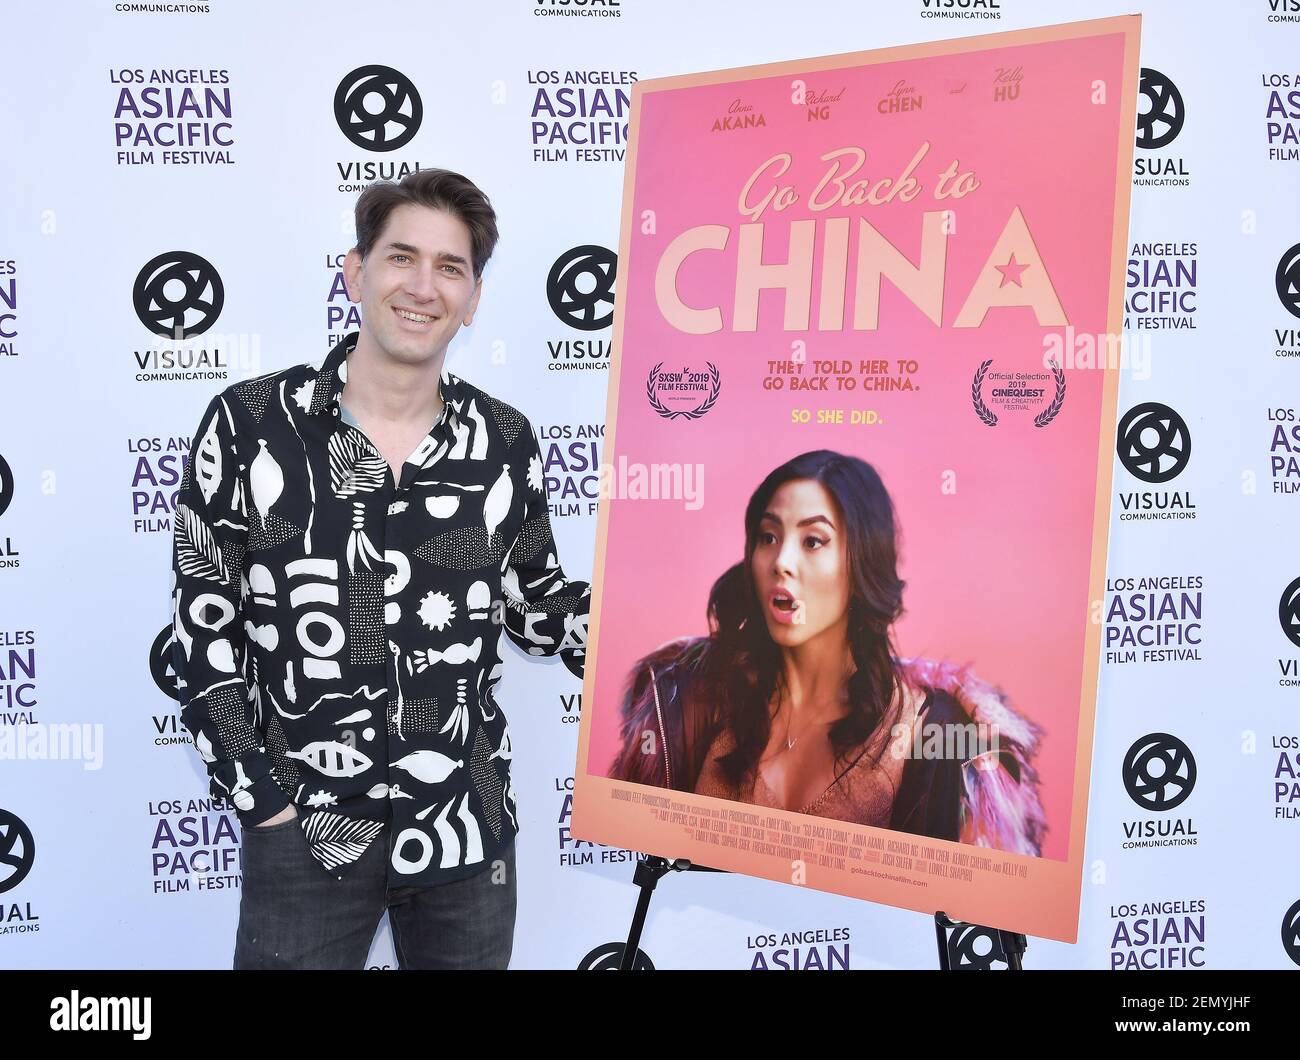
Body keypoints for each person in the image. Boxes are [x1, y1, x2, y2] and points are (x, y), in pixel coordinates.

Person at [169, 168, 590, 969]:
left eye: (451, 268)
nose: (423, 287)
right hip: (305, 835)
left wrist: (649, 610)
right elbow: (204, 629)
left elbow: (536, 606)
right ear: (355, 272)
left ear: (471, 300)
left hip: (466, 831)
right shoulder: (253, 425)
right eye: (401, 258)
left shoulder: (505, 442)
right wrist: (262, 803)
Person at [610, 449, 1045, 856]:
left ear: (861, 562)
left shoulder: (935, 734)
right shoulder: (690, 698)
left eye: (813, 541)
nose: (782, 560)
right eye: (768, 536)